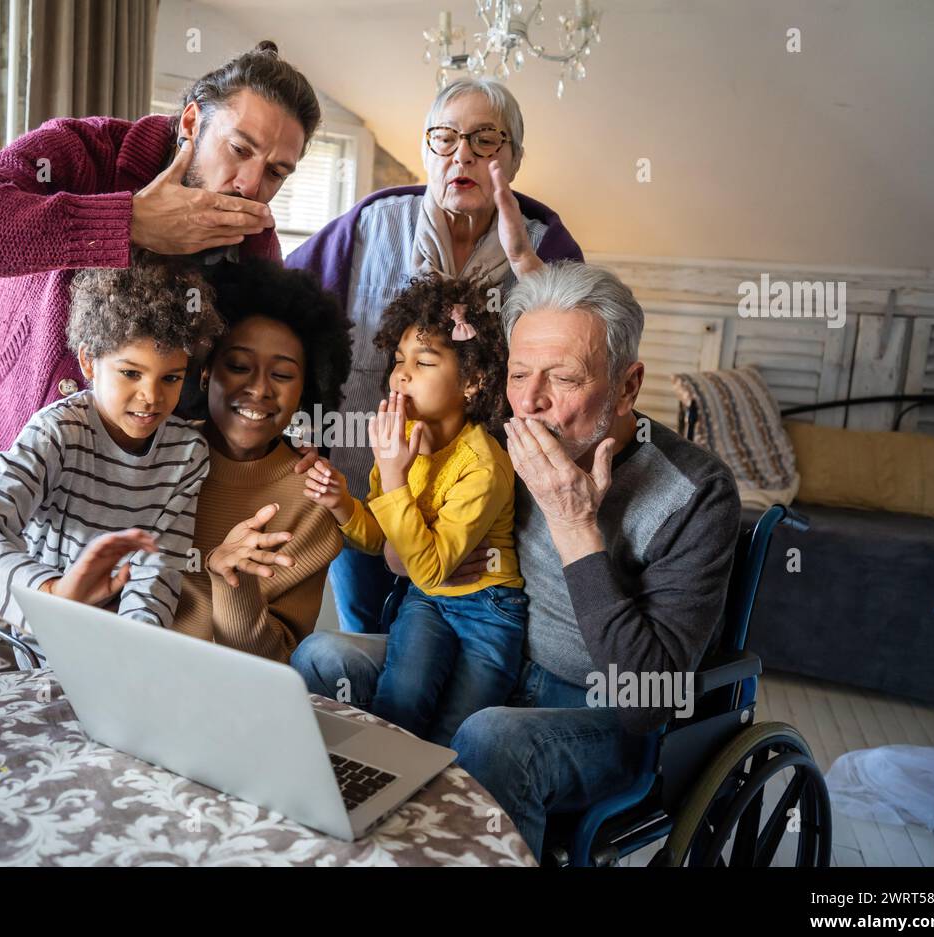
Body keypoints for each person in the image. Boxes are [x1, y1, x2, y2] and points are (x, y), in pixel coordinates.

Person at [292, 262, 742, 862]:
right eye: (520, 373)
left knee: (490, 736)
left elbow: (646, 699)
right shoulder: (496, 442)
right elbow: (404, 563)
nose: (529, 402)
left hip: (593, 710)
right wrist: (418, 546)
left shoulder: (695, 491)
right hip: (472, 645)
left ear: (628, 385)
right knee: (322, 656)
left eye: (563, 378)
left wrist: (574, 523)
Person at [0, 41, 320, 670]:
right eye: (240, 149)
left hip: (141, 471)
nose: (253, 187)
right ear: (194, 122)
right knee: (10, 643)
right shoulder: (85, 154)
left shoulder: (252, 239)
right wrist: (126, 223)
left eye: (278, 171)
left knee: (104, 648)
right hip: (25, 428)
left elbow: (255, 360)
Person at [288, 77, 583, 634]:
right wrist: (295, 432)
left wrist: (526, 270)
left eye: (486, 139)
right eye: (444, 138)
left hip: (482, 509)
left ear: (514, 158)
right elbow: (281, 312)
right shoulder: (370, 225)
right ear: (425, 151)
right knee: (368, 639)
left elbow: (579, 364)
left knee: (460, 655)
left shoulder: (547, 247)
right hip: (370, 486)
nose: (462, 154)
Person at [0, 263, 222, 640]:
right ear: (89, 361)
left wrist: (135, 649)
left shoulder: (187, 453)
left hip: (109, 647)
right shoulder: (58, 431)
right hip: (26, 642)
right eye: (130, 373)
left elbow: (158, 572)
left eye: (170, 378)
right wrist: (53, 595)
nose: (151, 396)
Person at [302, 275, 525, 746]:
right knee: (400, 702)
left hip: (489, 610)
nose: (401, 375)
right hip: (427, 601)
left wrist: (394, 474)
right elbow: (386, 543)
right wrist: (342, 504)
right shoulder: (401, 446)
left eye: (423, 362)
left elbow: (426, 566)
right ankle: (385, 793)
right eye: (399, 361)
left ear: (473, 382)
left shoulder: (484, 465)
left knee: (458, 736)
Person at [169, 259, 352, 663]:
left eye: (283, 375)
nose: (259, 389)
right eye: (238, 366)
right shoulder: (156, 457)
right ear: (205, 372)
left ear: (307, 391)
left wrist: (232, 581)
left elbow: (274, 661)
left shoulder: (312, 503)